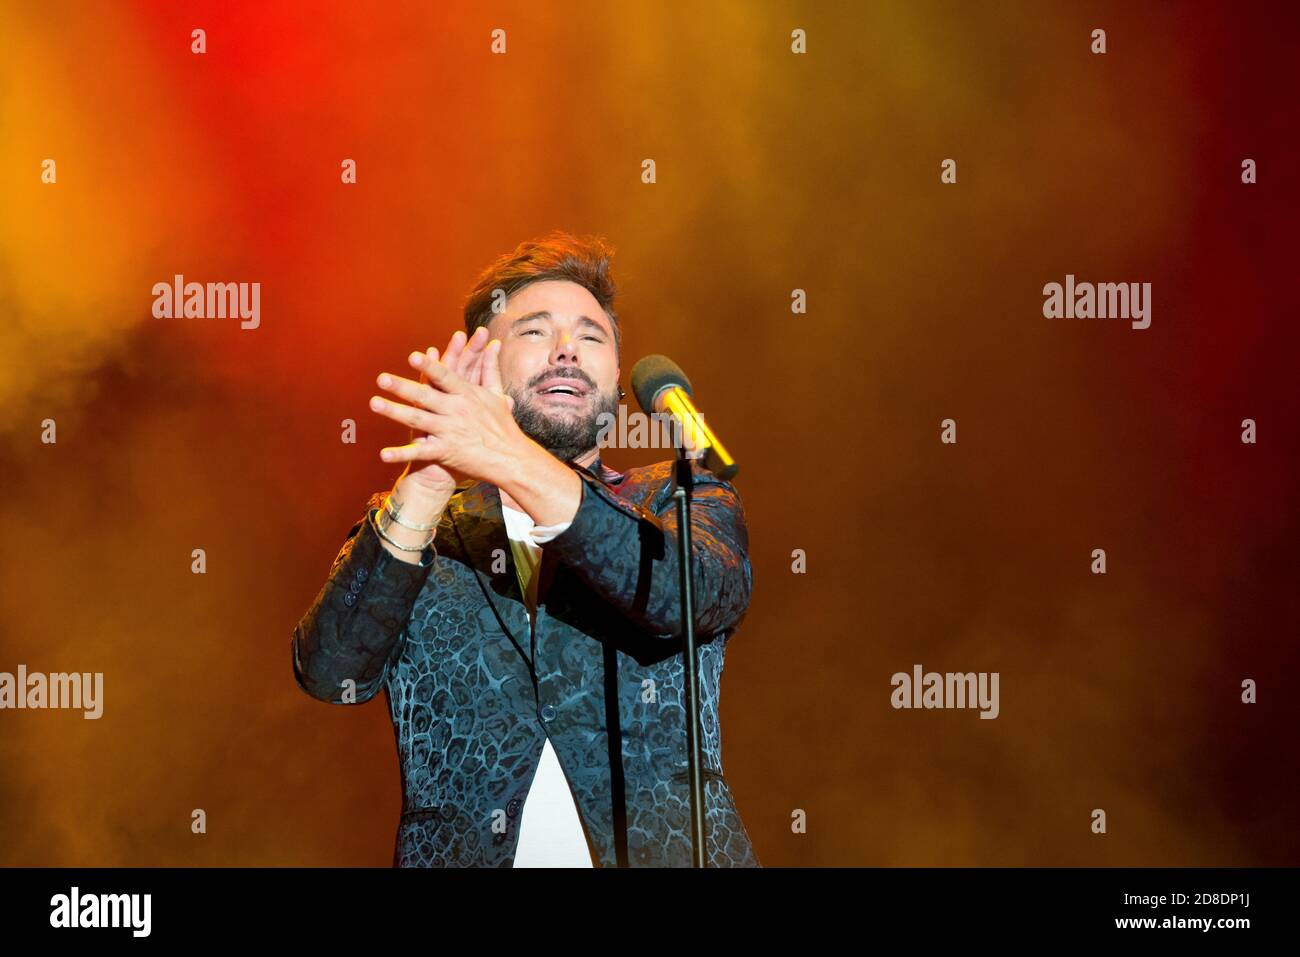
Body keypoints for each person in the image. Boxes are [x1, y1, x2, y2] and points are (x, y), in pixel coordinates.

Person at [291, 231, 759, 867]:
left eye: (591, 337)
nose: (567, 350)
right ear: (485, 366)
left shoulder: (679, 496)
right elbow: (332, 675)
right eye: (536, 332)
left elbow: (688, 595)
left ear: (617, 382)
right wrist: (428, 484)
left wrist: (503, 453)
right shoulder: (420, 529)